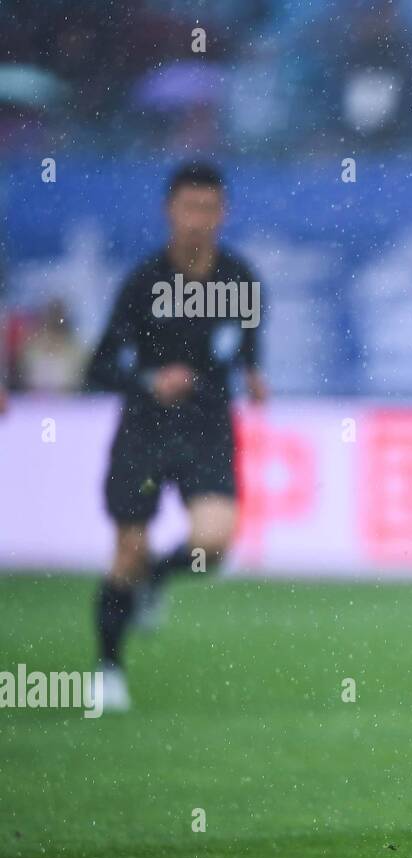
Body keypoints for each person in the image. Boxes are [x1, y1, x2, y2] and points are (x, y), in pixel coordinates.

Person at [85, 161, 268, 712]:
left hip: (206, 424)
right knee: (128, 550)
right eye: (189, 208)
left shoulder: (241, 279)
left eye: (209, 209)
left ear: (223, 213)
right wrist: (149, 378)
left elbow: (245, 350)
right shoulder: (144, 282)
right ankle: (108, 667)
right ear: (170, 211)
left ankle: (154, 582)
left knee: (213, 543)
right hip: (145, 425)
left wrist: (253, 376)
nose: (198, 221)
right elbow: (97, 368)